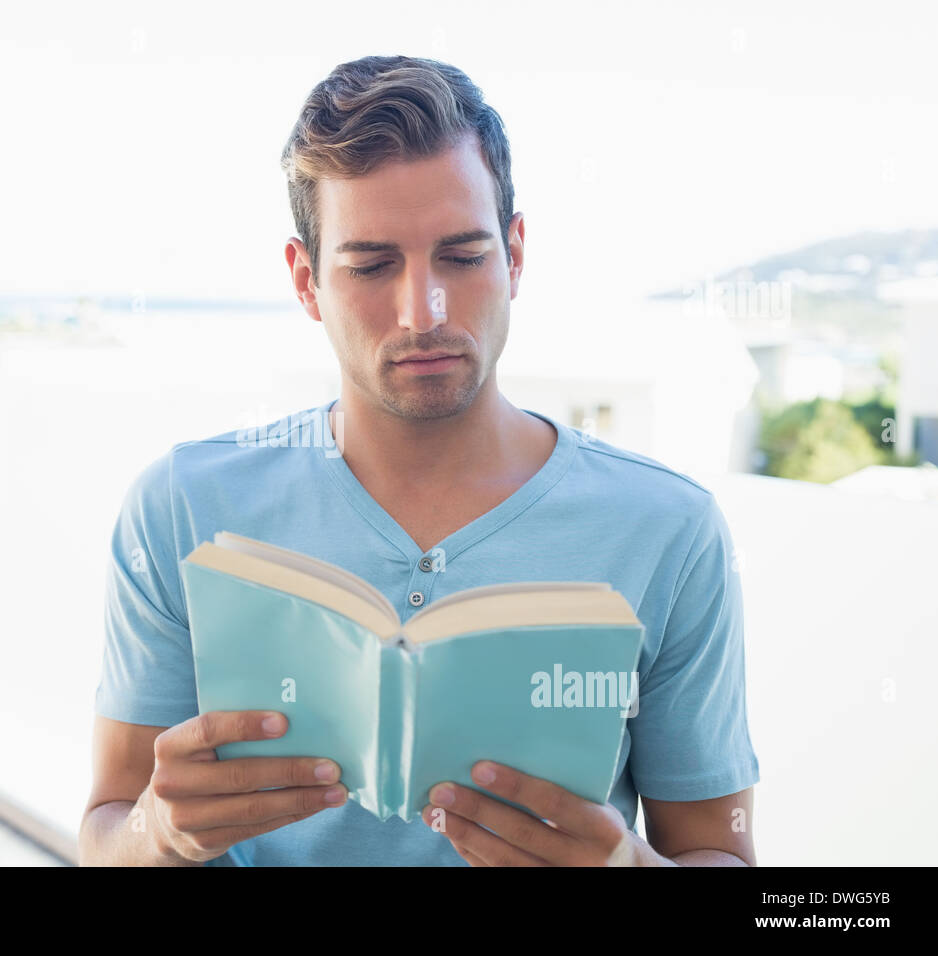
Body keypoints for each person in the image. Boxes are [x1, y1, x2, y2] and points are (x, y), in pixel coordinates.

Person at [79, 54, 759, 866]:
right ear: (306, 281)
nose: (422, 311)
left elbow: (721, 852)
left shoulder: (669, 531)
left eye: (463, 257)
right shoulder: (182, 507)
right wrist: (158, 832)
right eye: (370, 265)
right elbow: (105, 834)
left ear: (514, 254)